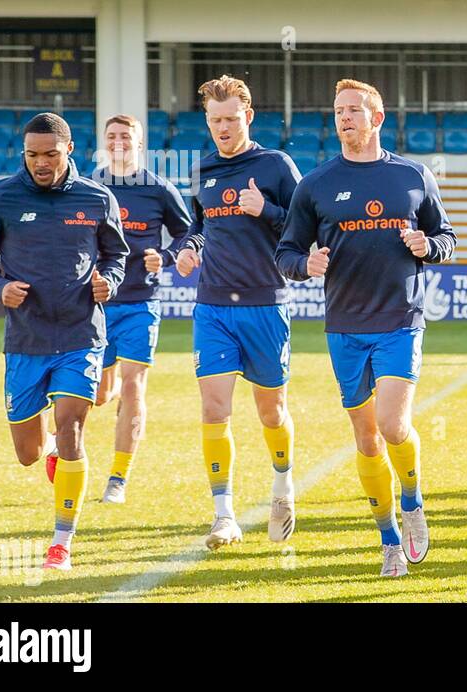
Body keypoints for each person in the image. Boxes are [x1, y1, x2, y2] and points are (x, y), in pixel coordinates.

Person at [277, 78, 455, 576]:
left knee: (393, 424)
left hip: (401, 319)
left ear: (377, 118)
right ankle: (389, 539)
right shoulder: (315, 185)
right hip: (345, 326)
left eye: (354, 109)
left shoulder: (414, 176)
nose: (345, 117)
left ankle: (413, 499)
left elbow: (446, 236)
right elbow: (286, 252)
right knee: (366, 438)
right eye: (338, 110)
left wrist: (429, 247)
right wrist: (303, 265)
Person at [0, 112, 128, 569]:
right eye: (33, 154)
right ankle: (52, 452)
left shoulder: (97, 198)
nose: (41, 163)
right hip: (25, 339)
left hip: (81, 333)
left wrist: (109, 281)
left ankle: (62, 541)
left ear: (69, 150)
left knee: (72, 425)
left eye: (51, 154)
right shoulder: (2, 197)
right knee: (28, 454)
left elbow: (117, 255)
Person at [174, 75, 302, 549]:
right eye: (214, 120)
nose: (222, 128)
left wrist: (265, 209)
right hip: (212, 307)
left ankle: (283, 486)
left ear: (248, 116)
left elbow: (308, 228)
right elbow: (199, 226)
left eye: (230, 119)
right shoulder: (202, 169)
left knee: (272, 413)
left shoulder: (276, 165)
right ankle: (223, 516)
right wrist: (188, 248)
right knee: (214, 409)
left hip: (266, 305)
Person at [93, 113, 193, 504]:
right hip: (97, 304)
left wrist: (166, 256)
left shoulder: (158, 188)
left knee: (134, 385)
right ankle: (106, 385)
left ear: (139, 143)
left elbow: (188, 231)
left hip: (141, 302)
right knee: (99, 395)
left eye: (126, 136)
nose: (119, 141)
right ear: (105, 141)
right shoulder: (91, 186)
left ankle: (118, 477)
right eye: (112, 135)